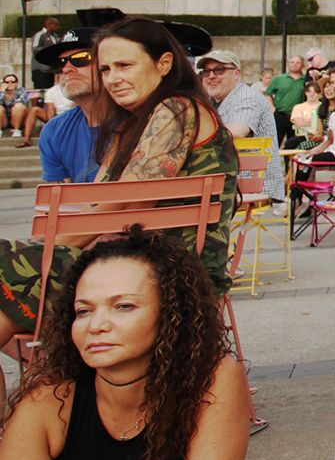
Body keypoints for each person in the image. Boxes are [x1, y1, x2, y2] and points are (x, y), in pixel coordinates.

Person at [0, 227, 268, 460]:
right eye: (83, 311)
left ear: (171, 313)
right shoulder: (47, 401)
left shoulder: (213, 379)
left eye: (123, 306)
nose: (97, 325)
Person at [0, 18, 239, 351]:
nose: (113, 78)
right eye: (106, 69)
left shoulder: (175, 109)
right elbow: (103, 203)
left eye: (125, 65)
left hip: (170, 270)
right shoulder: (133, 124)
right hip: (136, 259)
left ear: (164, 63)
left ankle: (45, 377)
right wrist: (44, 245)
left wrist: (48, 246)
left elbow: (128, 202)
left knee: (16, 265)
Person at [195, 51, 280, 199]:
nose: (211, 76)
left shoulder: (246, 97)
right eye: (206, 71)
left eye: (219, 70)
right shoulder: (213, 100)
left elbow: (237, 131)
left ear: (236, 73)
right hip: (229, 181)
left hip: (249, 186)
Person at [38, 27, 112, 186]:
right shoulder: (53, 132)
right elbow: (61, 200)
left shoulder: (144, 121)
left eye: (81, 58)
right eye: (59, 63)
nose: (66, 69)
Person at [263, 58, 307, 147]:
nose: (295, 64)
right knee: (274, 142)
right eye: (292, 62)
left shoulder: (306, 80)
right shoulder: (279, 79)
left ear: (302, 65)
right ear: (288, 64)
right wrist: (272, 108)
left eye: (298, 62)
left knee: (293, 144)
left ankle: (289, 161)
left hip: (298, 117)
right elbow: (268, 93)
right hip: (280, 114)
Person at [29, 16, 63, 91]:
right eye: (57, 25)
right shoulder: (40, 34)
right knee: (41, 92)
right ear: (50, 24)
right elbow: (35, 49)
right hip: (40, 69)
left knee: (49, 91)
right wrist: (49, 50)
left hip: (50, 69)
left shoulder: (55, 36)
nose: (58, 27)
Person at [1, 73, 32, 138]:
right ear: (3, 84)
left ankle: (17, 130)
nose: (10, 83)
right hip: (4, 120)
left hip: (18, 118)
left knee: (18, 106)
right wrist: (2, 91)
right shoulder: (1, 92)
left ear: (16, 83)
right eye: (7, 82)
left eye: (12, 82)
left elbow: (21, 101)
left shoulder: (22, 91)